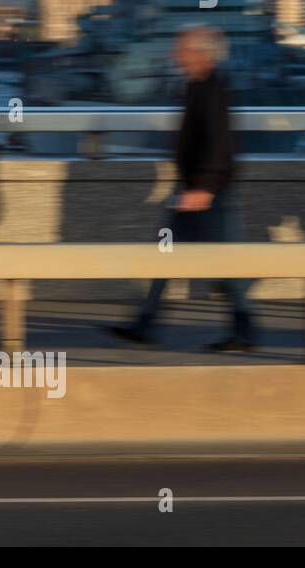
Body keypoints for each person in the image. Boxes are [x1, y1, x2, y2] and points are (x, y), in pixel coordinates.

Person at [109, 26, 254, 351]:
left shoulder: (213, 89)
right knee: (169, 255)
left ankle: (244, 329)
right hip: (194, 190)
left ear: (201, 53)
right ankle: (146, 323)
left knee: (224, 264)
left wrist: (205, 188)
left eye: (182, 49)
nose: (176, 54)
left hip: (207, 194)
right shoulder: (196, 85)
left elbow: (221, 144)